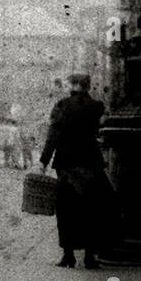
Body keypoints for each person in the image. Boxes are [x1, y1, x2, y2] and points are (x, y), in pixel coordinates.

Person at [40, 73, 111, 270]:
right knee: (91, 208)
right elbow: (100, 132)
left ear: (74, 85)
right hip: (90, 163)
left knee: (66, 209)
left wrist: (44, 160)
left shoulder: (62, 105)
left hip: (67, 164)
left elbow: (53, 135)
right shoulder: (97, 106)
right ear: (87, 86)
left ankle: (68, 256)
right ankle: (90, 256)